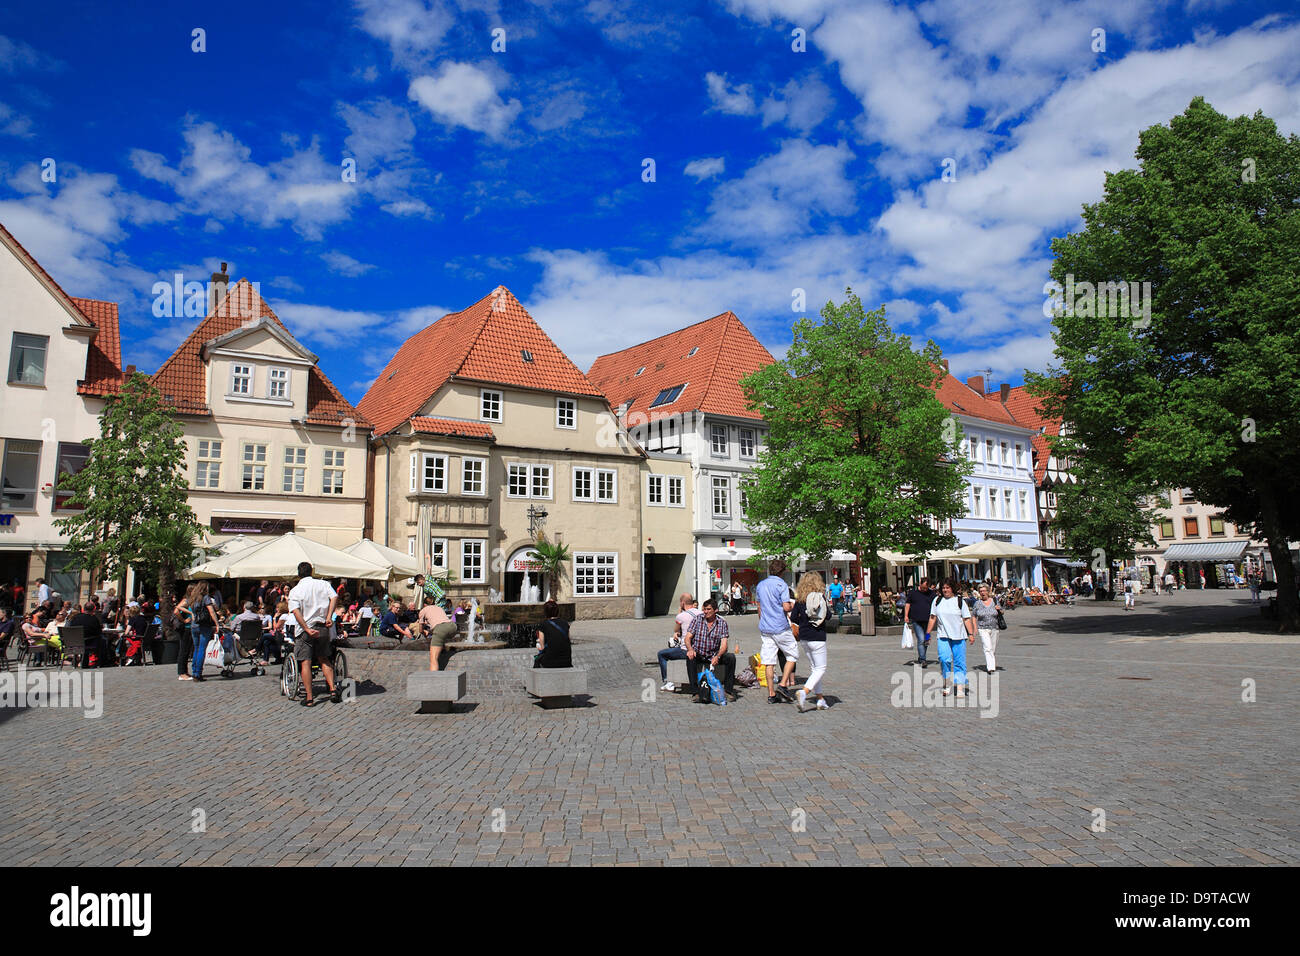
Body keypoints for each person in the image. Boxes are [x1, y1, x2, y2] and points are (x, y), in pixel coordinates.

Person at [288, 561, 341, 706]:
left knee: (306, 662)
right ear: (311, 572)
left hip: (306, 629)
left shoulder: (296, 590)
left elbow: (296, 611)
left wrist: (305, 628)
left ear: (299, 574)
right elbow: (335, 597)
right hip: (322, 626)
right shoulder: (323, 584)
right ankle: (332, 689)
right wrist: (329, 616)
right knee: (324, 658)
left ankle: (310, 697)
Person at [755, 559, 797, 703]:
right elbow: (786, 607)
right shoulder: (782, 585)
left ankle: (771, 694)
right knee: (792, 654)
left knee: (769, 661)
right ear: (782, 571)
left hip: (766, 628)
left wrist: (762, 620)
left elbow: (759, 606)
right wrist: (792, 607)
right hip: (780, 626)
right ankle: (783, 684)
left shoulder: (761, 585)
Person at [790, 572, 830, 712]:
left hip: (804, 637)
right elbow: (828, 616)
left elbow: (794, 617)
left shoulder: (800, 599)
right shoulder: (820, 597)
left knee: (815, 668)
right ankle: (804, 692)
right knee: (821, 668)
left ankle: (820, 699)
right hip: (817, 635)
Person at [928, 579, 976, 698]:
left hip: (959, 636)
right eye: (943, 588)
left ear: (952, 588)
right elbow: (932, 618)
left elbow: (966, 618)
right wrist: (927, 633)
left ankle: (959, 687)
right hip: (943, 636)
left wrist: (971, 634)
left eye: (948, 588)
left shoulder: (960, 601)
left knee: (959, 662)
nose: (945, 590)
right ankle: (947, 683)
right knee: (944, 659)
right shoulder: (937, 601)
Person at [685, 599, 736, 702]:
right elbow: (687, 638)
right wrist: (690, 649)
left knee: (731, 658)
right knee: (690, 657)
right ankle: (695, 692)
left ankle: (728, 690)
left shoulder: (721, 623)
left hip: (713, 654)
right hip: (699, 653)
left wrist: (718, 656)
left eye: (709, 609)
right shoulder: (697, 619)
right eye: (704, 609)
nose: (706, 612)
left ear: (715, 610)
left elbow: (724, 645)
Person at [658, 593, 699, 692]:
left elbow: (676, 630)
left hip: (686, 650)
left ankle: (668, 682)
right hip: (699, 648)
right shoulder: (700, 613)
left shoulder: (681, 616)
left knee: (662, 654)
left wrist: (679, 613)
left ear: (682, 603)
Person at [903, 578, 936, 667]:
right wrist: (906, 615)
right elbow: (907, 604)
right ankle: (922, 659)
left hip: (928, 621)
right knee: (921, 639)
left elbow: (935, 604)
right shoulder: (913, 593)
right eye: (924, 587)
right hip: (916, 620)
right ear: (920, 584)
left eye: (927, 588)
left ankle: (922, 656)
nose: (925, 589)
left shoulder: (931, 593)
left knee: (926, 640)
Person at [189, 582, 219, 682]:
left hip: (194, 625)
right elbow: (211, 611)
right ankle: (198, 673)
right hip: (204, 625)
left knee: (196, 648)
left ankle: (194, 671)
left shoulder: (193, 598)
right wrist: (217, 623)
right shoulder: (205, 597)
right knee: (202, 649)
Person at [420, 595, 459, 670]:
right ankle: (443, 649)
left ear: (424, 604)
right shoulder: (439, 608)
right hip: (452, 626)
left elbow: (420, 630)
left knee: (433, 659)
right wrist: (431, 631)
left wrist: (424, 632)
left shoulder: (423, 611)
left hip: (440, 629)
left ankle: (434, 680)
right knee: (440, 636)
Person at [972, 583, 1001, 673]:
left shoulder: (994, 601)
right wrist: (975, 628)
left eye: (984, 591)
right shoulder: (977, 603)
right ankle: (990, 667)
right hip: (983, 628)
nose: (982, 593)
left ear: (988, 591)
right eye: (981, 591)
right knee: (987, 647)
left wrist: (999, 609)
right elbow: (973, 616)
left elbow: (1002, 612)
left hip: (994, 627)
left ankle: (992, 663)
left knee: (993, 647)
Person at [534, 600, 572, 668]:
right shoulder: (565, 623)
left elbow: (542, 648)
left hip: (550, 661)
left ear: (545, 612)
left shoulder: (543, 624)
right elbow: (568, 641)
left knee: (537, 660)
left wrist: (538, 647)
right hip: (567, 661)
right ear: (557, 611)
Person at [68, 602, 104, 668]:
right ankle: (102, 662)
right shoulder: (93, 619)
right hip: (88, 643)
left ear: (84, 609)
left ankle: (82, 662)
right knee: (103, 640)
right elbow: (99, 632)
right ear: (93, 610)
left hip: (74, 643)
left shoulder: (75, 617)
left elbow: (71, 628)